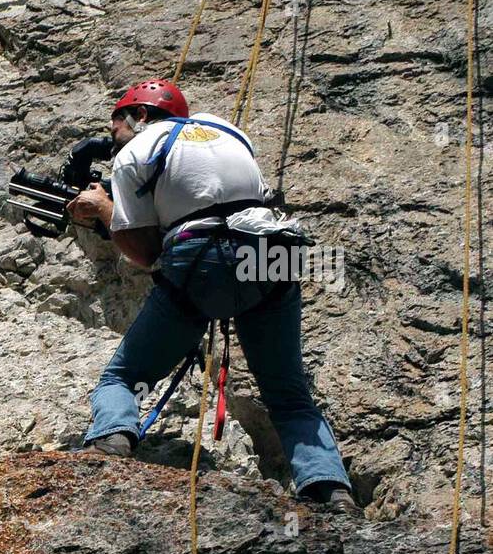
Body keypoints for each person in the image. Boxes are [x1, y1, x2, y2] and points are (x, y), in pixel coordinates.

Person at [66, 78, 357, 515]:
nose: (113, 144)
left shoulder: (135, 152)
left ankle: (111, 443)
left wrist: (105, 209)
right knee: (289, 394)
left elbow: (145, 254)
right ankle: (329, 489)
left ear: (139, 116)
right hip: (272, 252)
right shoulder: (226, 131)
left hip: (205, 257)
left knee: (122, 379)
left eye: (115, 131)